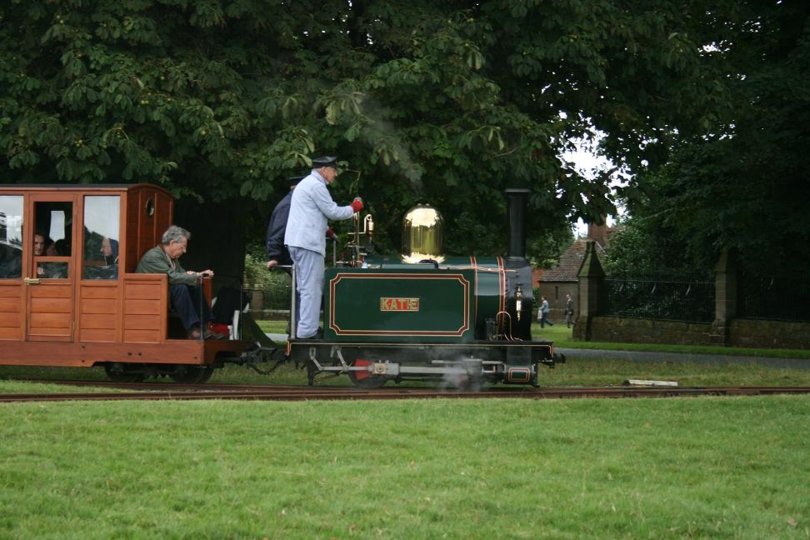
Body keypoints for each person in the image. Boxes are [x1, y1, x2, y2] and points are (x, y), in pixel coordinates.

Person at [284, 155, 363, 339]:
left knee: (305, 288)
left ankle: (304, 329)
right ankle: (307, 332)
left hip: (298, 241)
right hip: (308, 244)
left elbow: (310, 214)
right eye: (334, 170)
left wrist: (325, 228)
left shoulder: (306, 183)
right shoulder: (316, 185)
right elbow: (333, 211)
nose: (335, 175)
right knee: (312, 288)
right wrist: (354, 207)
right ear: (324, 169)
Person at [136, 225, 225, 340]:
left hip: (164, 295)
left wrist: (197, 275)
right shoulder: (153, 257)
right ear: (172, 243)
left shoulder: (171, 258)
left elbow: (183, 274)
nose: (185, 251)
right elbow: (173, 277)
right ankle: (193, 330)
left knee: (194, 286)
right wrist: (196, 275)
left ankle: (205, 326)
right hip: (148, 298)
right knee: (180, 287)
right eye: (182, 247)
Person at [265, 175, 303, 271]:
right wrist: (274, 256)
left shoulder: (292, 203)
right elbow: (279, 230)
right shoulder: (288, 205)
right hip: (289, 254)